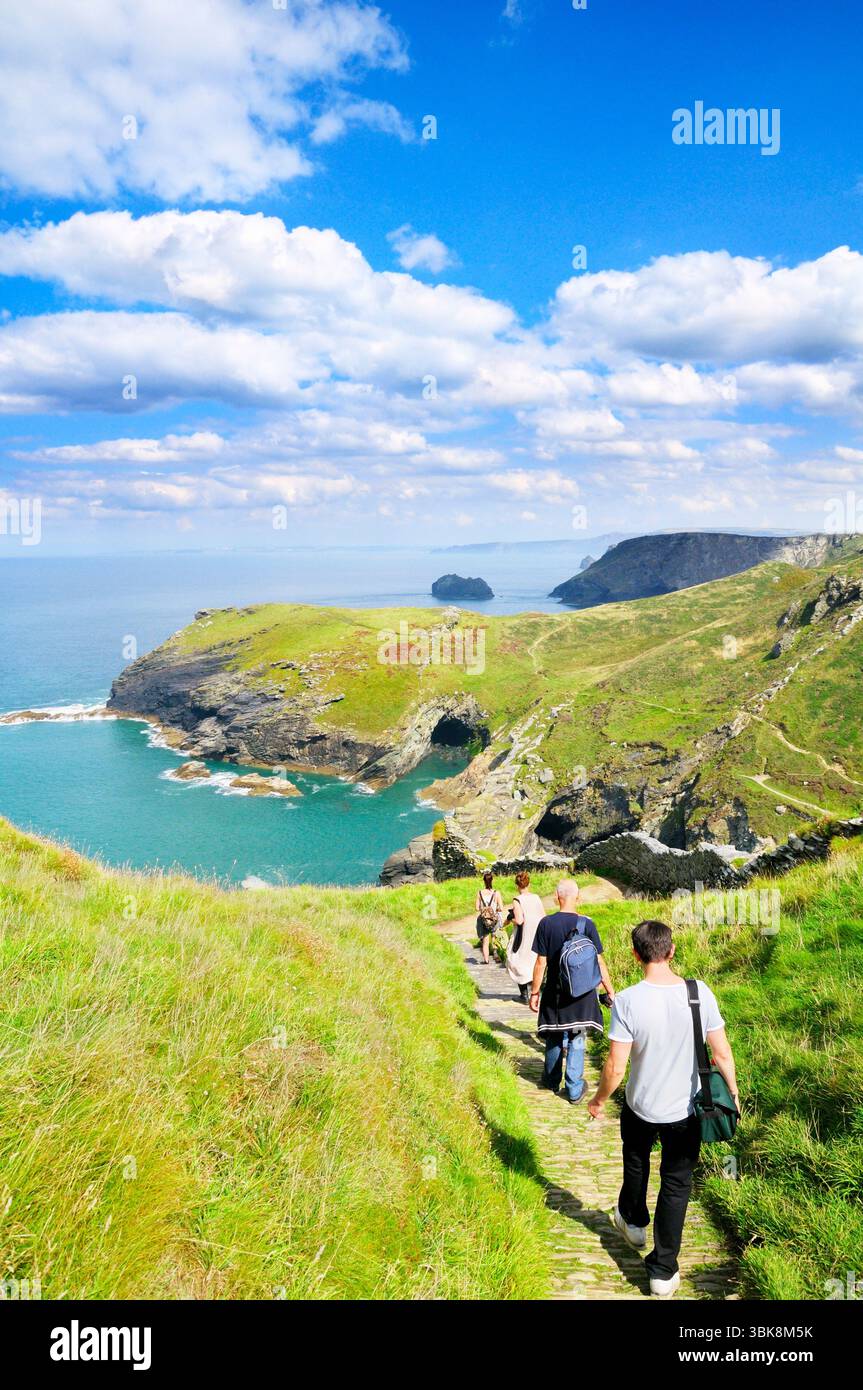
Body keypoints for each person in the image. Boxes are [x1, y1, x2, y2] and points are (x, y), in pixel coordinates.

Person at [587, 919, 739, 1299]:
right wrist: (733, 1093)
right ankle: (663, 1271)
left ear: (636, 955)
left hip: (640, 1105)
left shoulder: (627, 1001)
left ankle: (634, 1222)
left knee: (636, 1160)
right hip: (687, 1109)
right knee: (676, 1185)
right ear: (671, 951)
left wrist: (599, 1100)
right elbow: (721, 1052)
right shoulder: (699, 992)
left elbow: (616, 1067)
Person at [529, 879, 615, 1103]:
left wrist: (534, 992)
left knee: (555, 1035)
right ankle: (575, 1089)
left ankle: (551, 1080)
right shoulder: (587, 924)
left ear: (557, 897)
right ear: (578, 898)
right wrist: (610, 990)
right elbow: (599, 961)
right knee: (577, 1037)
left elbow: (541, 962)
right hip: (583, 993)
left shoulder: (546, 924)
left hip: (555, 993)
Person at [505, 870, 545, 1002]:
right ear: (528, 883)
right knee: (534, 960)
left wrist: (510, 920)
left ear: (517, 885)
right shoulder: (536, 897)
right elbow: (543, 916)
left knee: (517, 959)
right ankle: (536, 992)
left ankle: (524, 995)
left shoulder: (517, 900)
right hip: (537, 933)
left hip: (524, 934)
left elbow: (520, 921)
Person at [475, 871, 503, 965]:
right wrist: (495, 909)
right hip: (494, 920)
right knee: (494, 936)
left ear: (484, 881)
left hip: (484, 921)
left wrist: (483, 910)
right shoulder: (496, 893)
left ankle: (486, 960)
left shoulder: (479, 893)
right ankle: (495, 953)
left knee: (485, 940)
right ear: (492, 880)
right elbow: (501, 908)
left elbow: (476, 908)